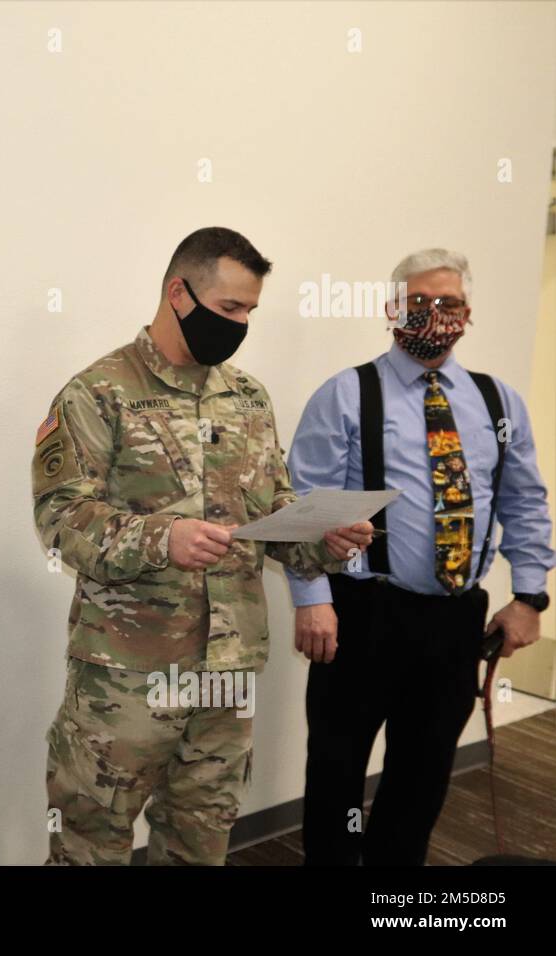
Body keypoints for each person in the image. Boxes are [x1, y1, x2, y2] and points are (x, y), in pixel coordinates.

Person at [32, 227, 373, 865]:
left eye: (249, 312)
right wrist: (165, 537)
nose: (241, 324)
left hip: (228, 672)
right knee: (88, 846)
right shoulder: (97, 392)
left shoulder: (246, 397)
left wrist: (320, 538)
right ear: (177, 293)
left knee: (199, 841)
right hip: (128, 677)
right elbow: (59, 518)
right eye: (229, 309)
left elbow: (269, 511)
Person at [287, 248, 553, 866]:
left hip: (456, 620)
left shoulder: (498, 403)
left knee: (424, 774)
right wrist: (312, 600)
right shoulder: (348, 393)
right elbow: (306, 505)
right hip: (361, 614)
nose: (436, 315)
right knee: (337, 768)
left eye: (450, 304)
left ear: (468, 313)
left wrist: (530, 596)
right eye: (420, 304)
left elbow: (525, 499)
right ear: (392, 311)